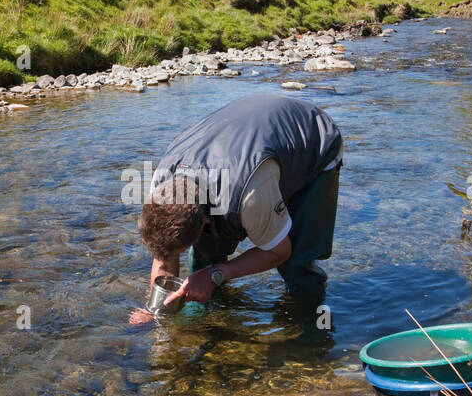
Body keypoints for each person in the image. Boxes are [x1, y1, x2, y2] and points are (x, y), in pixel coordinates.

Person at [131, 90, 342, 320]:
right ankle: (210, 321)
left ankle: (311, 328)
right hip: (249, 140)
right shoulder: (161, 183)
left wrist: (217, 274)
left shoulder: (250, 196)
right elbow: (163, 255)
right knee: (204, 260)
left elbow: (278, 251)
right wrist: (153, 311)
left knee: (295, 262)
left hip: (313, 143)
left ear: (204, 220)